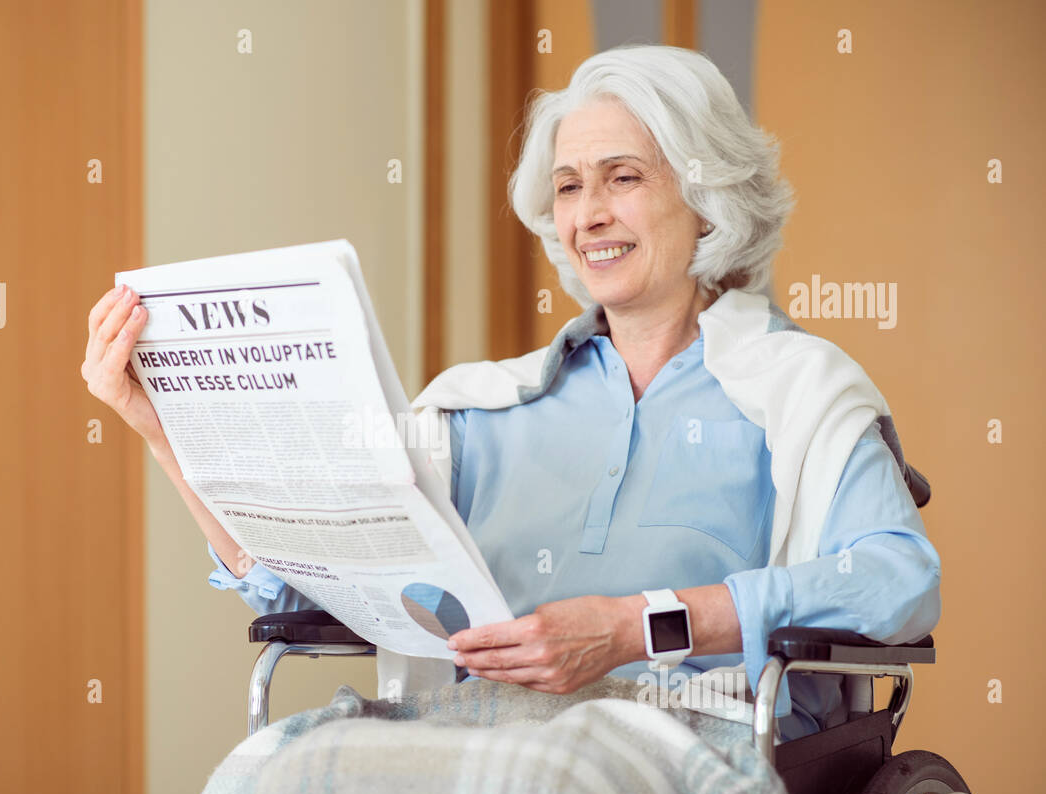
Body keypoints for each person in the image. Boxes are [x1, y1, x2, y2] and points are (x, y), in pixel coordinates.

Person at [82, 44, 939, 743]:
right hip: (472, 737)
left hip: (686, 746)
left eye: (623, 177)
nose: (589, 212)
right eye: (570, 186)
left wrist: (640, 626)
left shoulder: (797, 391)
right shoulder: (477, 412)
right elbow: (303, 588)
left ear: (708, 199)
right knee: (278, 788)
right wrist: (165, 434)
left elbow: (898, 579)